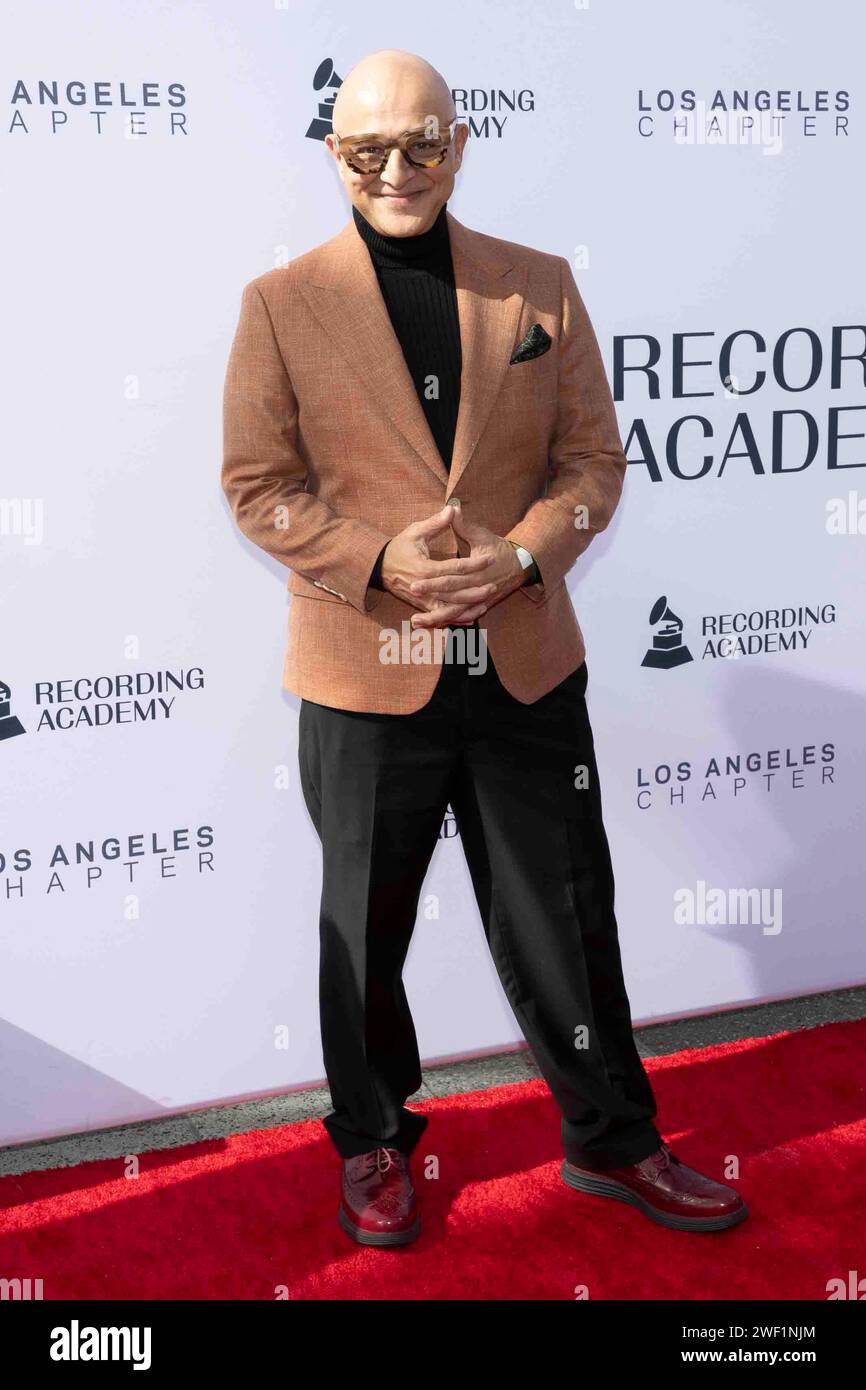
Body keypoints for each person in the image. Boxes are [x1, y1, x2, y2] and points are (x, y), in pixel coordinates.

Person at [221, 48, 748, 1246]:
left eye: (420, 143)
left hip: (520, 659)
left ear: (457, 143)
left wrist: (517, 557)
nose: (396, 169)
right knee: (364, 927)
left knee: (566, 910)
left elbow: (591, 464)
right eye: (368, 149)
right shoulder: (279, 302)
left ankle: (613, 1141)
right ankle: (371, 1144)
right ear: (333, 154)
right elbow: (257, 488)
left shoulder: (538, 286)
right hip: (366, 668)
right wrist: (377, 562)